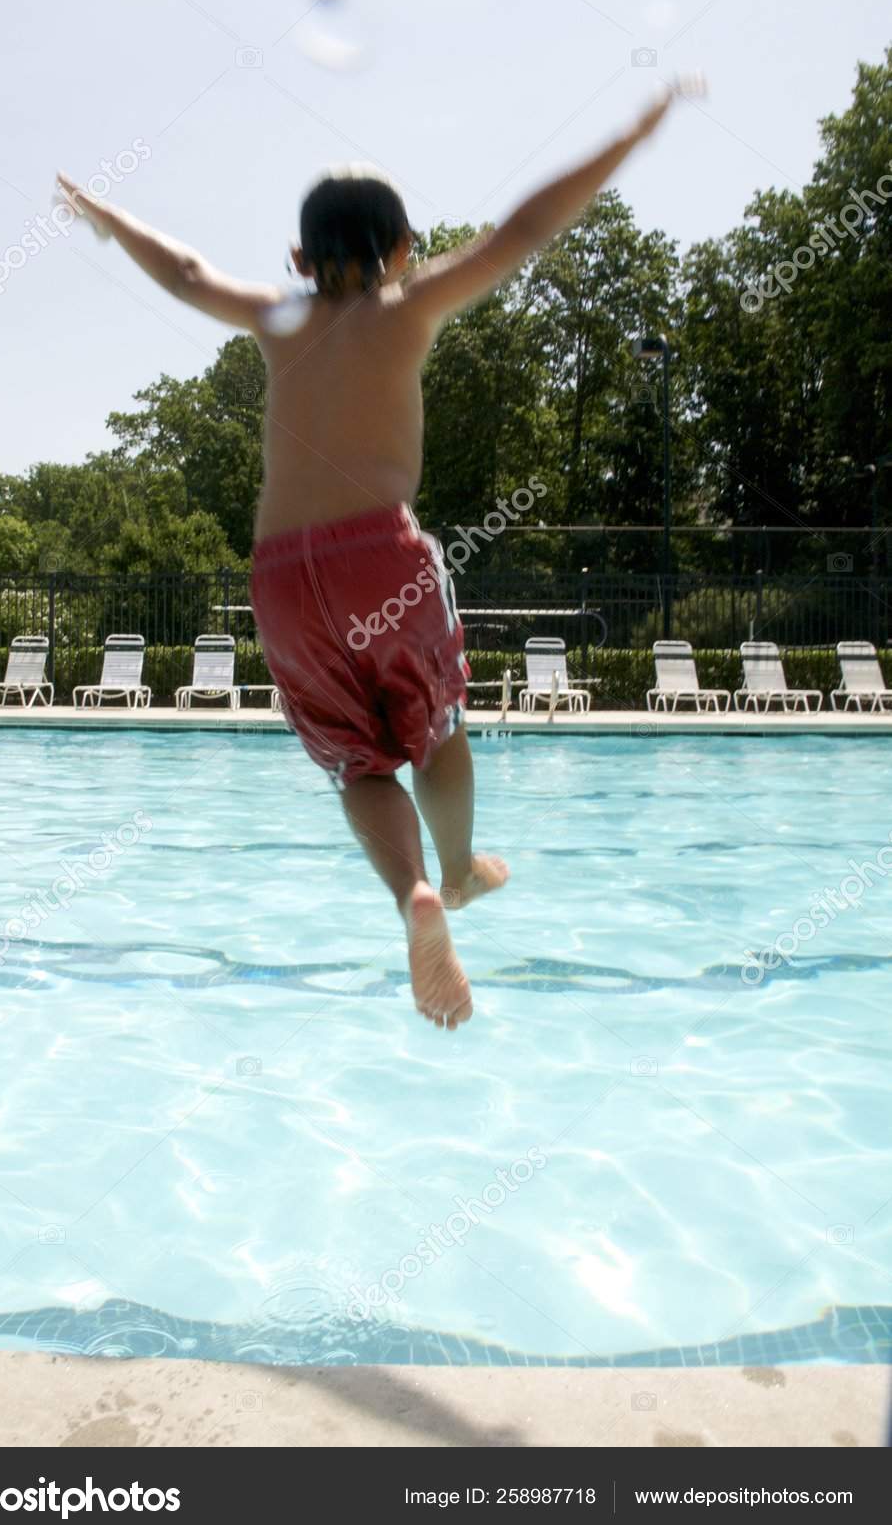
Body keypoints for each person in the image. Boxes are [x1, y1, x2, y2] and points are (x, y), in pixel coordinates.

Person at [58, 78, 697, 1032]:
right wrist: (629, 137)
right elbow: (524, 230)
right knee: (435, 728)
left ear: (297, 258)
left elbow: (187, 272)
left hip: (279, 574)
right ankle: (459, 869)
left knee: (357, 762)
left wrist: (108, 218)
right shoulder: (410, 304)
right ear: (403, 250)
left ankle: (413, 899)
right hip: (380, 559)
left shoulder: (279, 315)